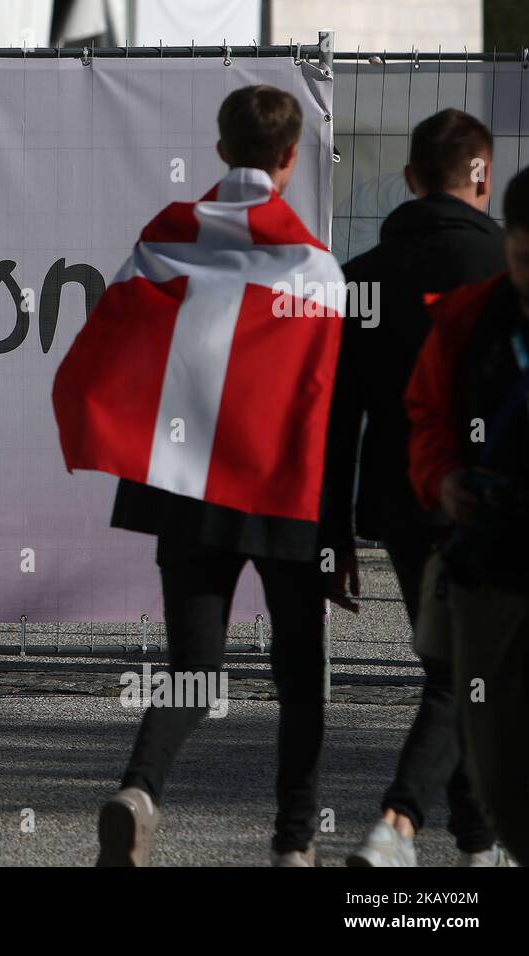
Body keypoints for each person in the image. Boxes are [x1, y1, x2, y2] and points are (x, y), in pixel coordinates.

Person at [57, 85, 344, 866]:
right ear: (291, 160)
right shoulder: (317, 270)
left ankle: (139, 789)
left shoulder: (165, 238)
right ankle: (293, 845)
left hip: (186, 485)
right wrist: (338, 526)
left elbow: (118, 336)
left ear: (221, 150)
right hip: (283, 491)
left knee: (193, 669)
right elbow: (326, 404)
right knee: (300, 676)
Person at [324, 109, 512, 866]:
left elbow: (337, 424)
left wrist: (330, 534)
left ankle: (472, 842)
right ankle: (403, 827)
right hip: (493, 504)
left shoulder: (360, 278)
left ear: (408, 180)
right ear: (483, 176)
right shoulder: (506, 270)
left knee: (454, 670)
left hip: (400, 505)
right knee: (466, 676)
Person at [404, 164, 529, 865]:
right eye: (524, 260)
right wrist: (443, 477)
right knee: (498, 771)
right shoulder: (467, 319)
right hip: (492, 567)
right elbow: (424, 414)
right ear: (508, 242)